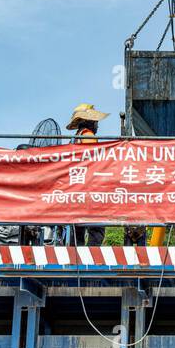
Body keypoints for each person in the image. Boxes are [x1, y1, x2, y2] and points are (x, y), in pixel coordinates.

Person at [67, 103, 109, 246]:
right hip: (90, 188)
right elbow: (94, 160)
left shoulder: (75, 138)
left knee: (77, 229)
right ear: (88, 121)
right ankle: (91, 261)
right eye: (95, 121)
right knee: (96, 229)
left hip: (77, 189)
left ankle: (74, 260)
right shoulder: (87, 136)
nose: (97, 125)